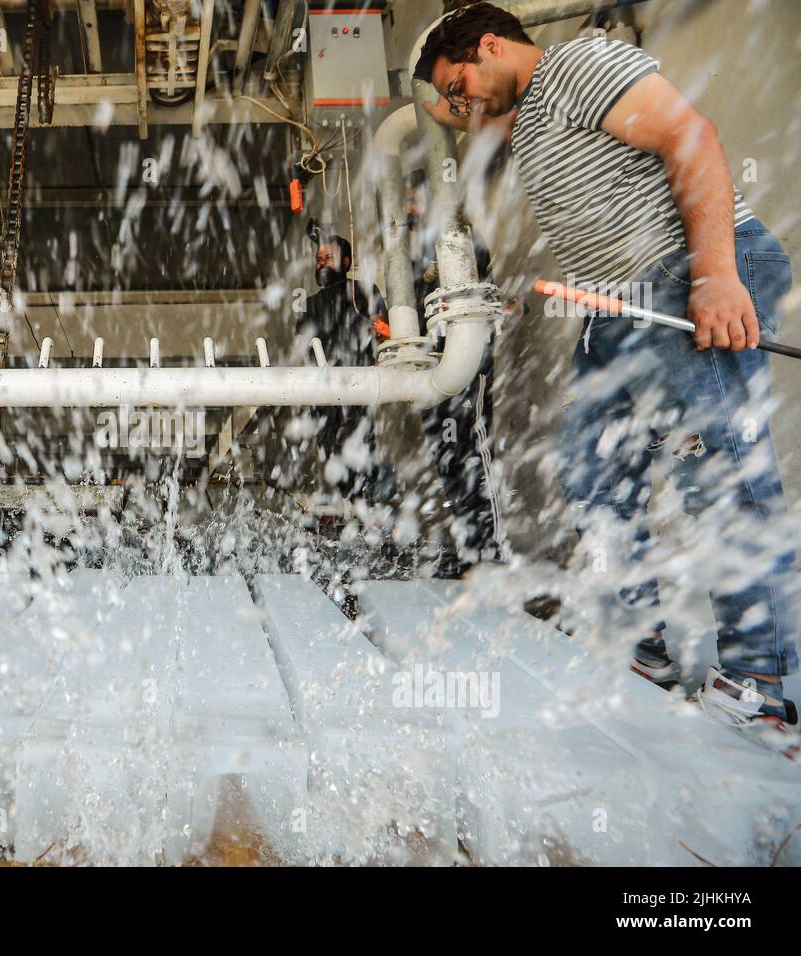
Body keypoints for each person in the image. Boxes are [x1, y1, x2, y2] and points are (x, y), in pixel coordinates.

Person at [415, 2, 798, 748]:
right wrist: (437, 91)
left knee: (719, 474)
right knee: (591, 473)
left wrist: (716, 274)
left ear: (492, 45)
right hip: (615, 304)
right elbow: (459, 115)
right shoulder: (518, 113)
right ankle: (644, 646)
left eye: (460, 81)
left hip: (682, 277)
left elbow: (692, 136)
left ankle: (762, 687)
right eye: (449, 96)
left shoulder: (578, 64)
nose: (459, 104)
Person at [371, 173, 500, 571]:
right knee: (447, 462)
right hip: (433, 372)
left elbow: (476, 265)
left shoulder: (460, 237)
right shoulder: (412, 256)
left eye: (415, 201)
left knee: (473, 458)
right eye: (405, 203)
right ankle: (468, 552)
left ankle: (489, 555)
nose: (409, 209)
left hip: (466, 369)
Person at [301, 228, 377, 500]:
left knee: (356, 449)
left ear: (345, 262)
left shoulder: (361, 291)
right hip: (322, 392)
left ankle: (368, 505)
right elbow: (302, 348)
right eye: (319, 257)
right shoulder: (309, 304)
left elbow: (384, 327)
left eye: (328, 256)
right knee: (332, 452)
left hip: (357, 384)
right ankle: (356, 507)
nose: (321, 261)